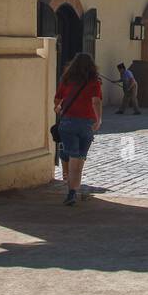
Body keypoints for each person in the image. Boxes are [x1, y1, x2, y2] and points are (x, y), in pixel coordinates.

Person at [53, 52, 102, 206]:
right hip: (86, 123)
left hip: (68, 122)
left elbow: (57, 98)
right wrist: (98, 119)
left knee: (72, 156)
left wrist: (58, 108)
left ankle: (71, 191)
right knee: (79, 160)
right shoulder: (94, 82)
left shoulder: (67, 80)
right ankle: (74, 190)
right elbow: (96, 102)